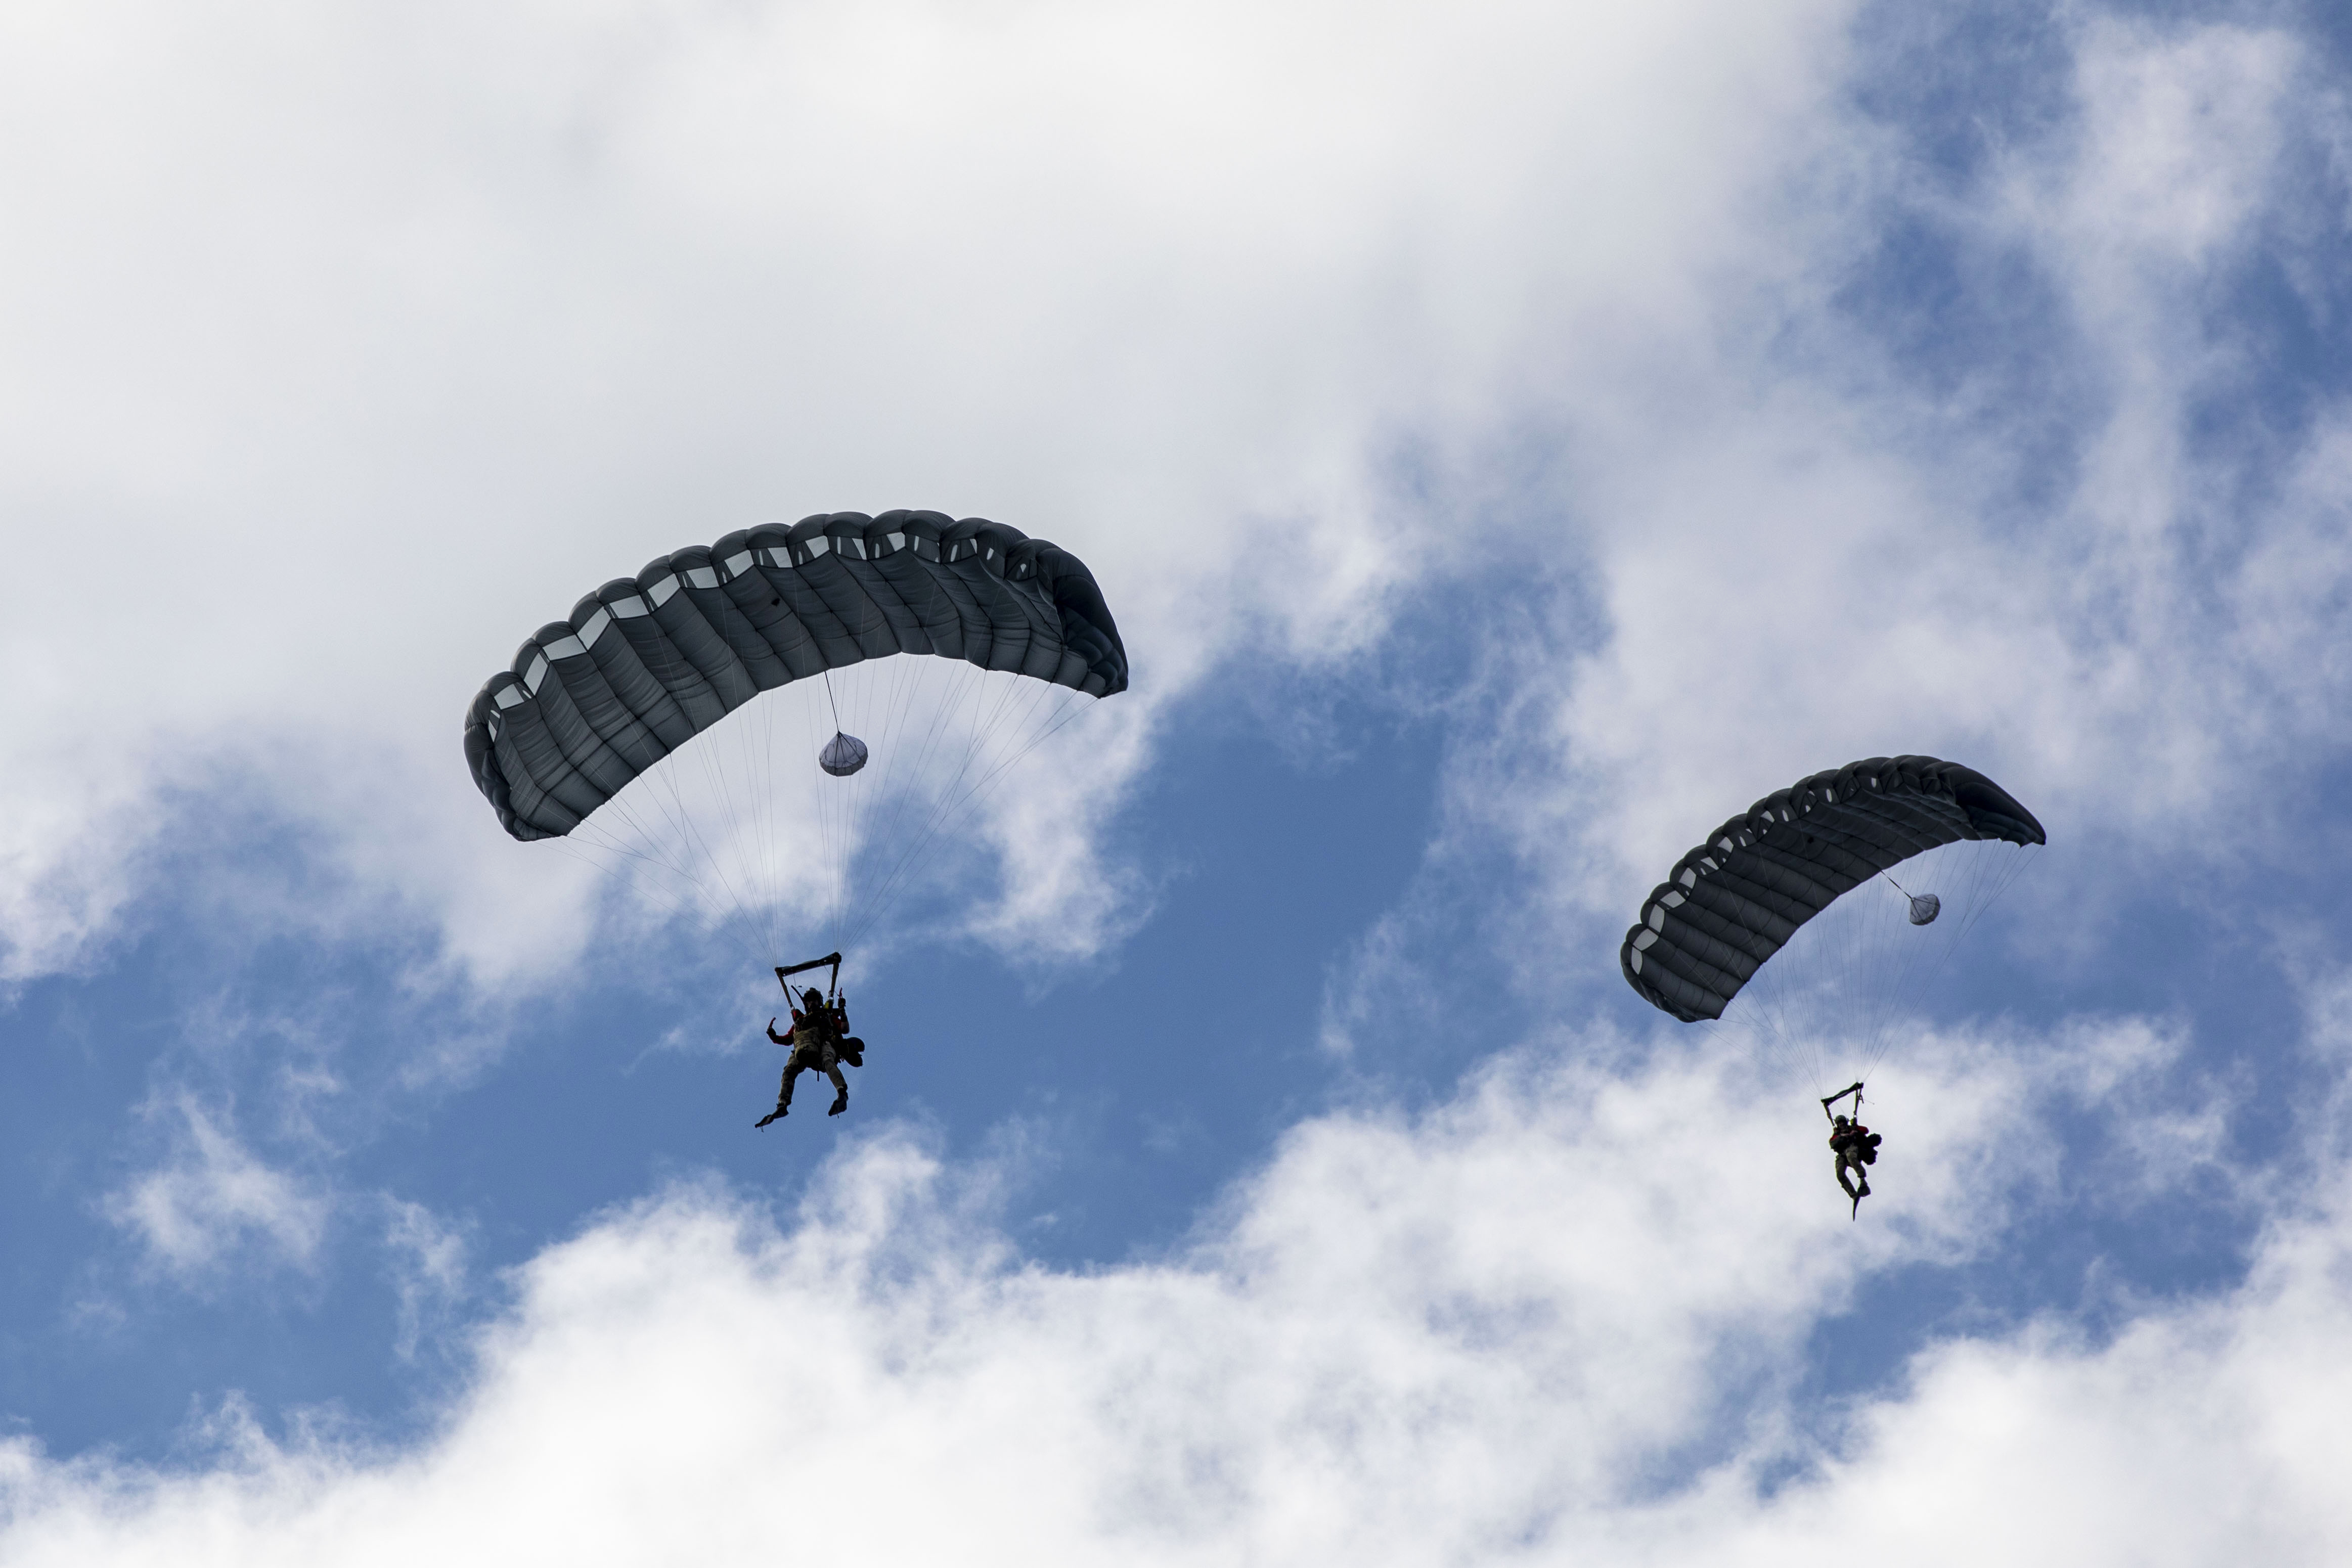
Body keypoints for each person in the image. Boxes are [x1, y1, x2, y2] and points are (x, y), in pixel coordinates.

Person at [754, 985, 863, 1125]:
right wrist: (774, 1037)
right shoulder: (801, 1021)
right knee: (789, 1070)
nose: (812, 1003)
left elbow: (844, 1028)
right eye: (809, 1001)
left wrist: (842, 1011)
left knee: (828, 1061)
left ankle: (842, 1093)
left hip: (823, 1045)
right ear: (806, 1004)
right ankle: (783, 1104)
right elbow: (789, 1039)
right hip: (803, 1048)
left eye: (814, 1001)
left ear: (819, 1002)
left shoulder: (827, 1016)